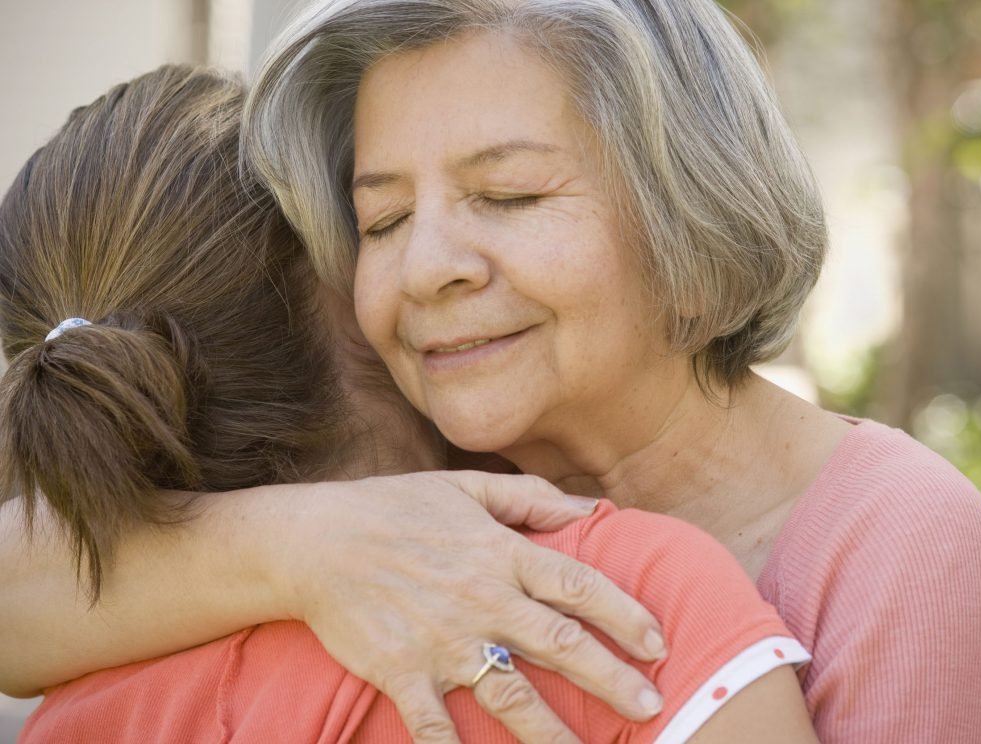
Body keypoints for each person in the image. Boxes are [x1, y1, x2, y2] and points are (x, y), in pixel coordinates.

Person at [0, 3, 981, 743]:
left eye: (512, 197)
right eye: (382, 217)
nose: (427, 267)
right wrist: (305, 548)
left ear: (692, 223)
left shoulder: (896, 549)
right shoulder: (416, 477)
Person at [1, 64, 817, 743]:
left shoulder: (75, 680)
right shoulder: (640, 602)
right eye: (380, 221)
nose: (428, 269)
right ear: (328, 302)